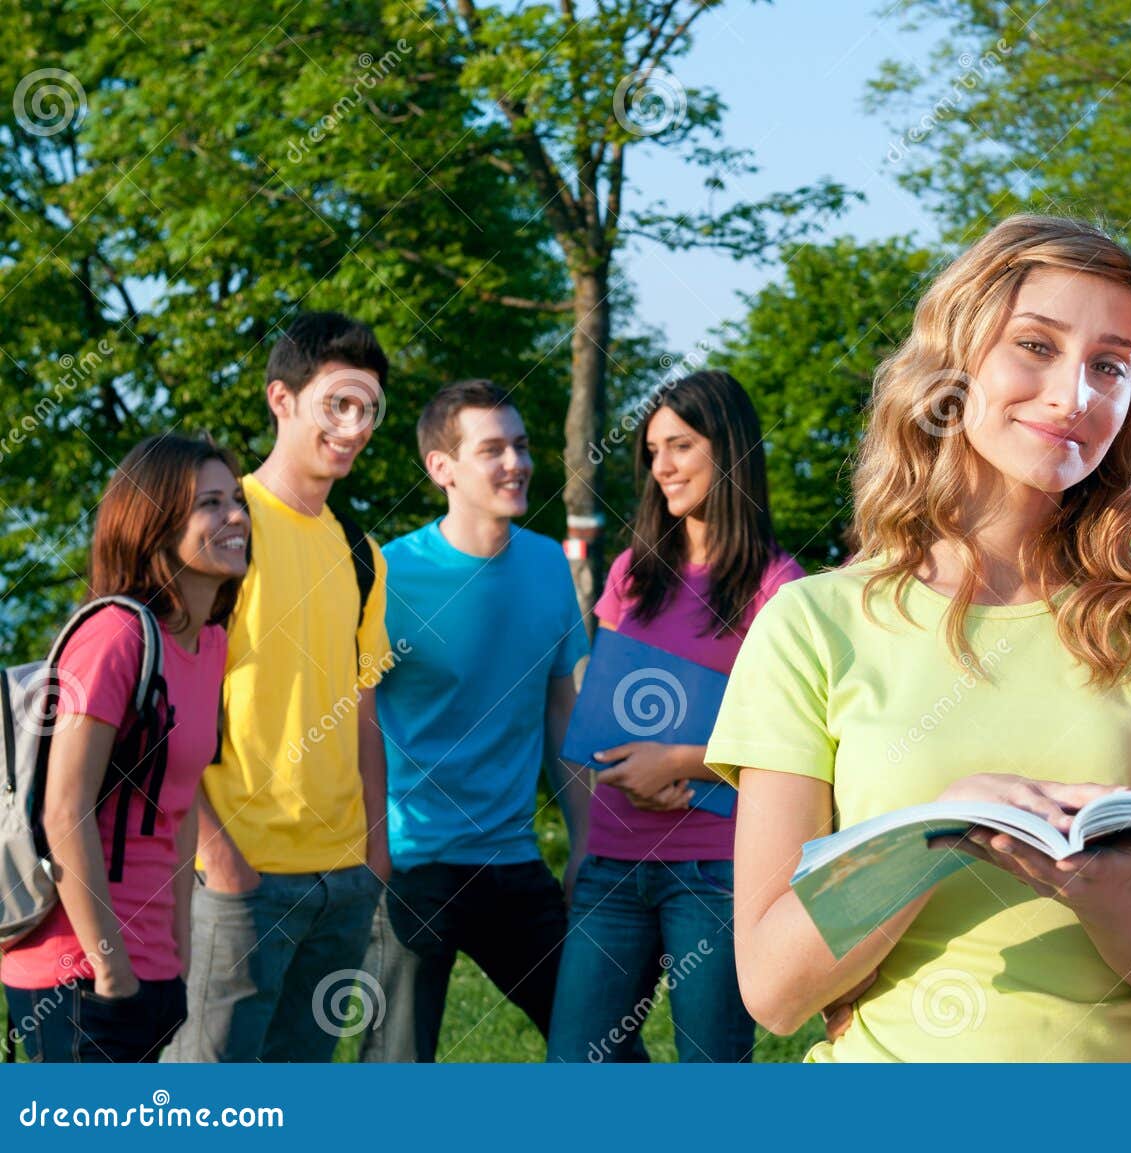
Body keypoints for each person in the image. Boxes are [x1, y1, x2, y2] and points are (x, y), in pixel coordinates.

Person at [705, 215, 1131, 1062]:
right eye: (1036, 345)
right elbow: (773, 989)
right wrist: (936, 830)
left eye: (1109, 366)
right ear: (954, 367)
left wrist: (1094, 888)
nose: (1073, 397)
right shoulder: (811, 623)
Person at [545, 370, 806, 1063]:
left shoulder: (779, 588)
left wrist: (680, 762)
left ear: (730, 451)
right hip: (612, 859)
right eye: (653, 449)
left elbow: (796, 746)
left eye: (681, 446)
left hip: (717, 868)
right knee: (576, 1062)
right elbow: (600, 714)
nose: (661, 466)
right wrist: (606, 799)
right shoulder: (631, 572)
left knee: (711, 1069)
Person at [169, 312, 394, 1062]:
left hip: (341, 884)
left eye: (368, 408)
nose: (355, 425)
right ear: (282, 399)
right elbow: (161, 699)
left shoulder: (363, 555)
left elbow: (364, 711)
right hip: (235, 880)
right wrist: (219, 854)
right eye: (338, 403)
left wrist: (374, 854)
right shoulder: (222, 529)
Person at [358, 381, 588, 1062]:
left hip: (512, 858)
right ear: (442, 467)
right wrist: (373, 850)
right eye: (492, 449)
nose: (515, 462)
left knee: (602, 1043)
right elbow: (356, 720)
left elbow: (561, 709)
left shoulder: (548, 563)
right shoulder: (388, 574)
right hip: (411, 861)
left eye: (519, 445)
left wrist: (585, 842)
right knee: (395, 1074)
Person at [2, 434, 246, 1061]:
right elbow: (65, 809)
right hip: (79, 971)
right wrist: (113, 971)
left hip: (154, 969)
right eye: (210, 504)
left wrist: (179, 951)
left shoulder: (208, 644)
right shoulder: (113, 637)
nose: (236, 516)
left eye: (236, 499)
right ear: (155, 523)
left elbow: (180, 804)